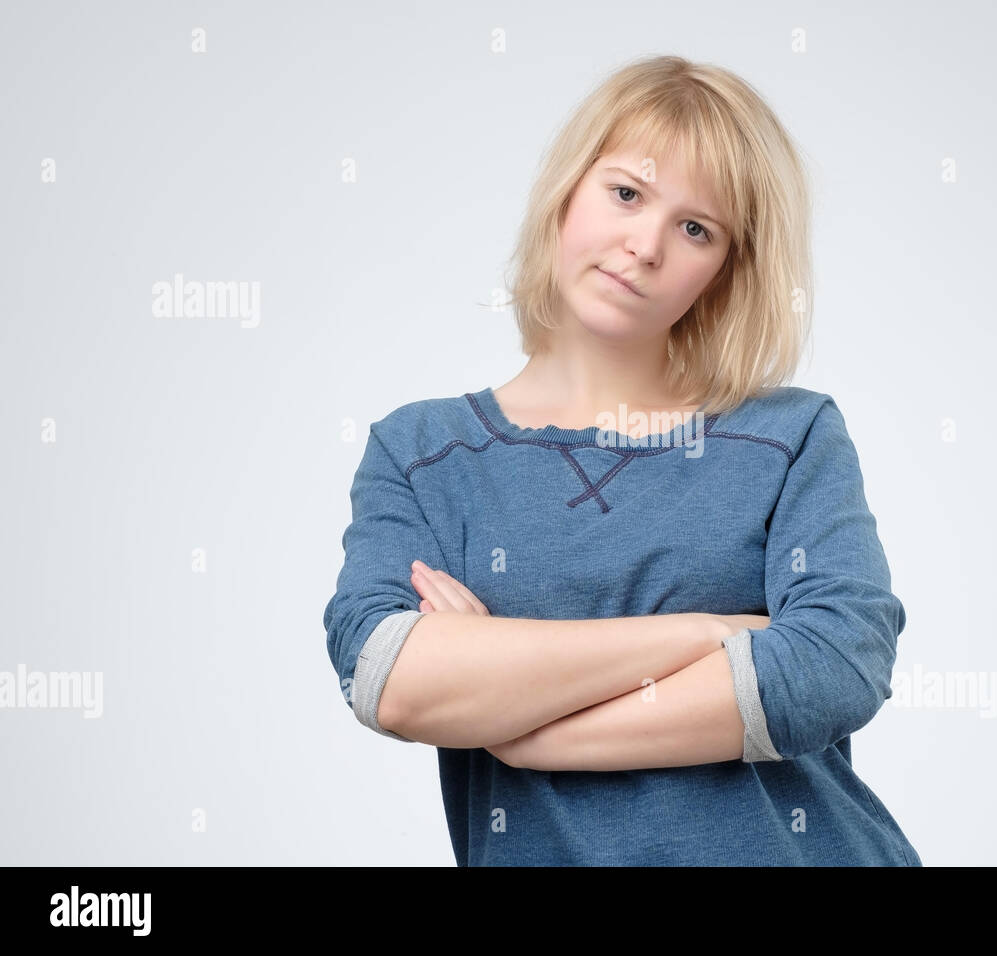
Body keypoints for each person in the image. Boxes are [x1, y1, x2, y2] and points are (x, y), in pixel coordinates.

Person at [323, 54, 921, 866]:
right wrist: (710, 632)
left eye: (696, 228)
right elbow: (386, 676)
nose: (644, 245)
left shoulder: (789, 436)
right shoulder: (423, 453)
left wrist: (524, 730)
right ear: (569, 190)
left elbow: (835, 666)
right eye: (627, 194)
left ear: (724, 272)